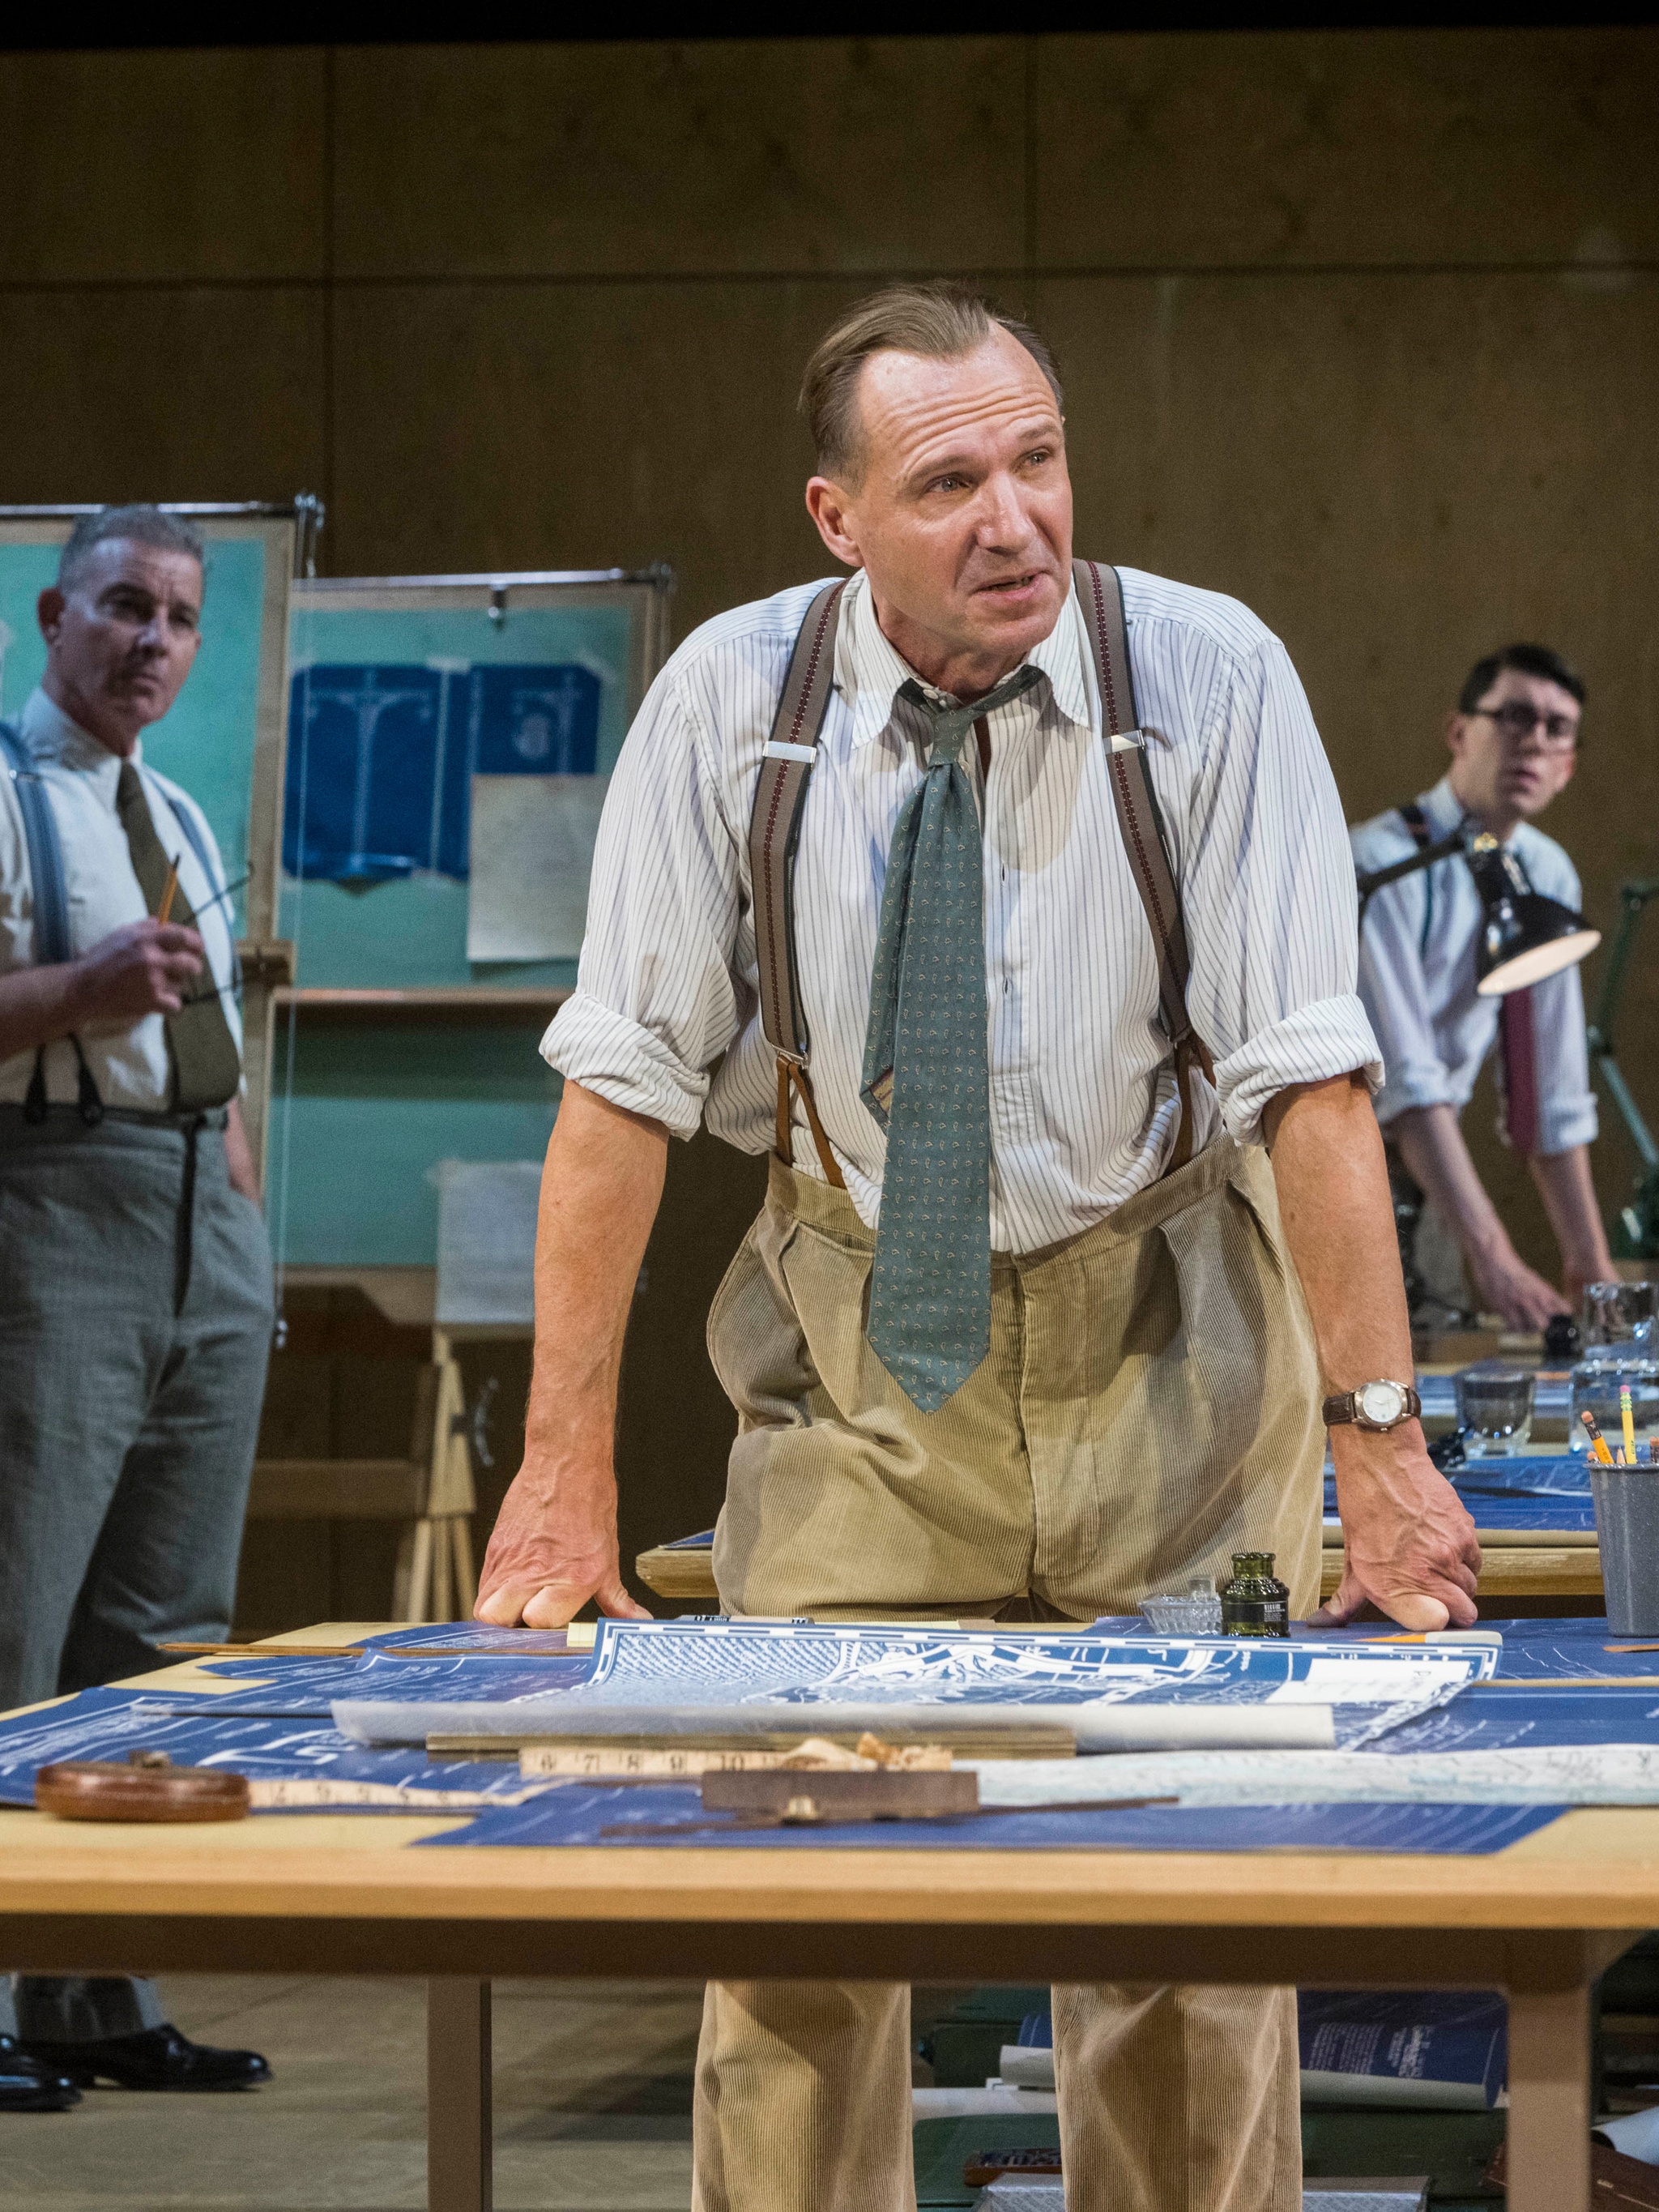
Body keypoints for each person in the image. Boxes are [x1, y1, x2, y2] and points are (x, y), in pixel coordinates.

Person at [476, 284, 1481, 2212]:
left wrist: (1378, 1443)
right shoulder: (730, 708)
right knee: (794, 1934)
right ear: (836, 517)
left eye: (1038, 460)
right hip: (862, 1362)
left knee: (1182, 1938)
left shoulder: (1206, 677)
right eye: (947, 480)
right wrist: (557, 1471)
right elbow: (616, 1099)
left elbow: (1310, 1088)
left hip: (1176, 1349)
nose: (1014, 518)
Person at [0, 507, 272, 2107]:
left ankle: (94, 1996)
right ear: (54, 613)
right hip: (48, 1205)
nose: (152, 643)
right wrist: (80, 993)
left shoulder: (165, 801)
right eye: (123, 608)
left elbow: (207, 1042)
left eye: (177, 619)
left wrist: (233, 1206)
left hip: (198, 1224)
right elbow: (96, 1011)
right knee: (16, 1621)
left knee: (163, 1636)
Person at [1351, 644, 1614, 1330]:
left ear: (1569, 766)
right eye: (1516, 717)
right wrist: (1494, 1256)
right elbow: (1406, 1082)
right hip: (1339, 1168)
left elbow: (1550, 1093)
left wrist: (1591, 1263)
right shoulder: (1382, 865)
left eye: (1558, 728)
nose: (1535, 740)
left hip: (1430, 1185)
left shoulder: (1546, 874)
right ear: (1459, 732)